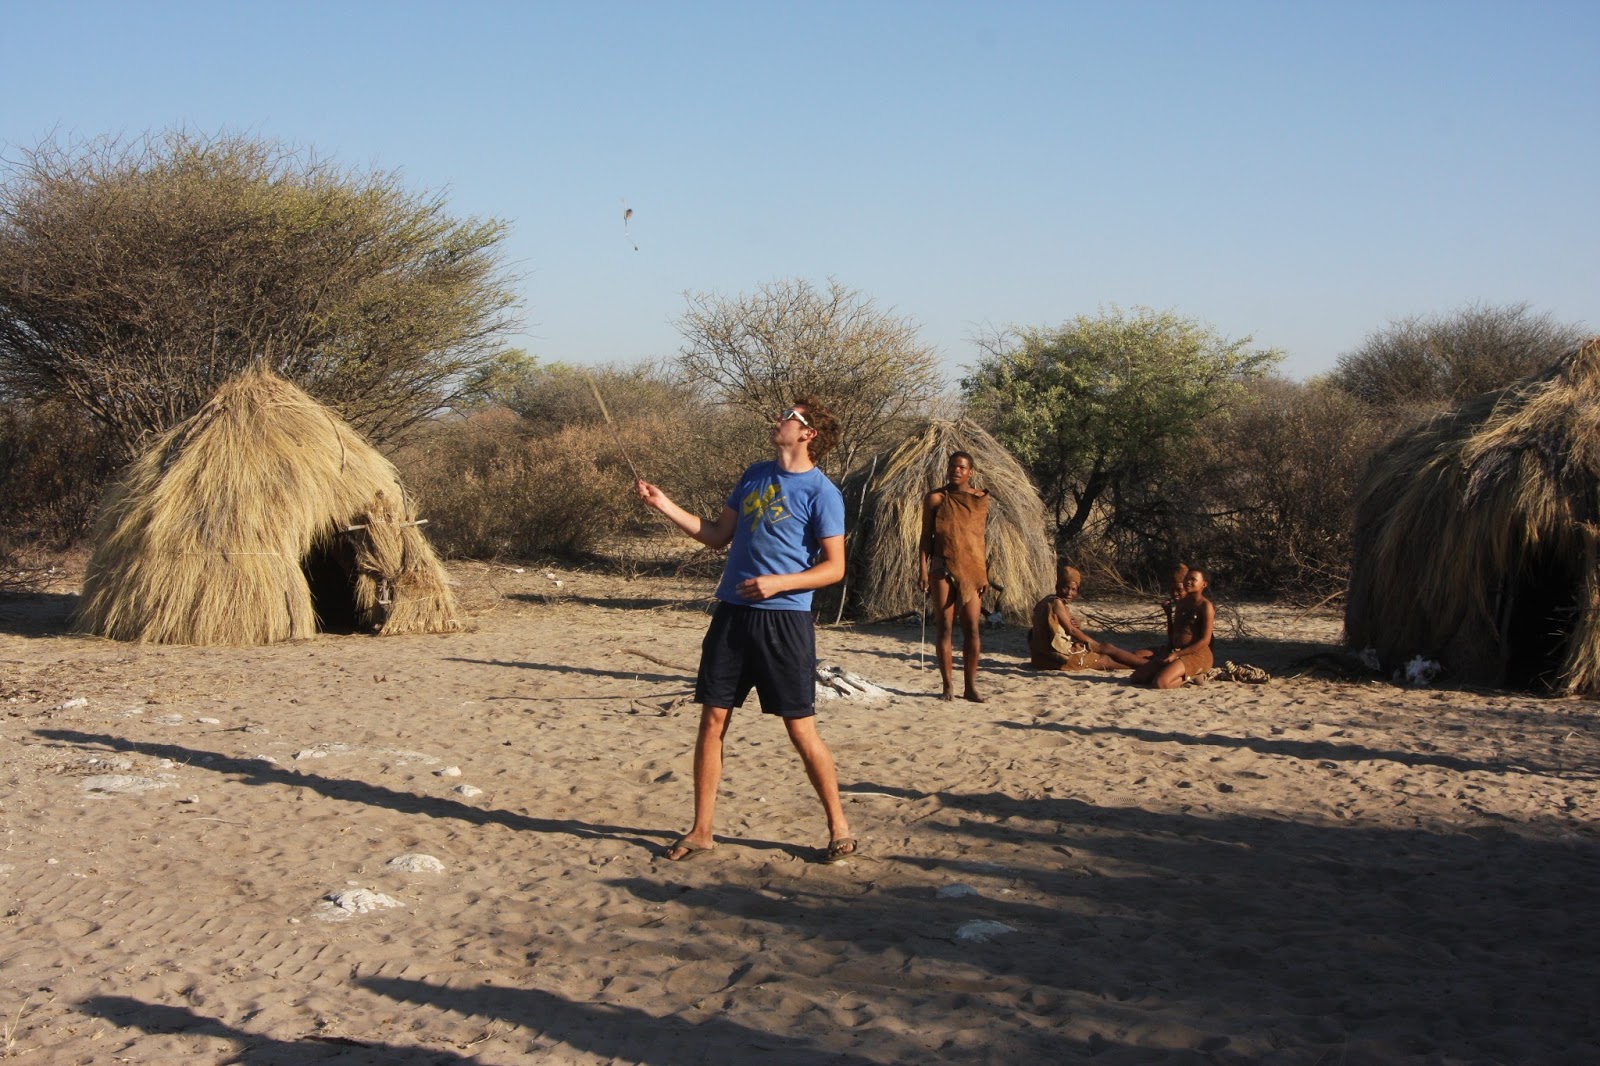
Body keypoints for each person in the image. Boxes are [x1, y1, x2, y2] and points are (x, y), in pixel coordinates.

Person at [635, 397, 856, 864]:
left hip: (785, 621)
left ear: (808, 433)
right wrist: (664, 504)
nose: (779, 421)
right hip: (733, 615)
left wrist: (781, 582)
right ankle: (702, 830)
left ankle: (838, 827)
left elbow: (834, 568)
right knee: (713, 720)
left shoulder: (822, 492)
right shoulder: (754, 474)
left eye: (789, 418)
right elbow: (717, 535)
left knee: (800, 728)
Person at [919, 451, 990, 701]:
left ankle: (970, 687)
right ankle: (947, 685)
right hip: (941, 567)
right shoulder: (936, 498)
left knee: (972, 628)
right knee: (945, 628)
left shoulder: (980, 500)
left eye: (961, 467)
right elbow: (926, 536)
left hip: (972, 571)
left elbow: (979, 540)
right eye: (952, 466)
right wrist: (923, 570)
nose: (956, 470)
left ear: (971, 471)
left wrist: (983, 574)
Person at [1027, 563, 1145, 671]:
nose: (1069, 593)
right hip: (1056, 659)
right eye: (1066, 587)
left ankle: (1143, 662)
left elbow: (1063, 625)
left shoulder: (1047, 601)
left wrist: (1076, 624)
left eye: (1073, 589)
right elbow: (1071, 630)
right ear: (1057, 586)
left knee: (1107, 651)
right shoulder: (1056, 603)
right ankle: (1146, 666)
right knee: (1106, 657)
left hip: (1040, 658)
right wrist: (1095, 645)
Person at [1130, 565, 1215, 688]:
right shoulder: (1181, 604)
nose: (1188, 582)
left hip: (1197, 654)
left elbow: (1205, 640)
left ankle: (1193, 676)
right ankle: (1179, 672)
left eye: (1193, 579)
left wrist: (1177, 655)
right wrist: (1169, 615)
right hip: (1177, 652)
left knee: (1160, 683)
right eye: (1186, 578)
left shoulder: (1205, 606)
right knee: (1136, 678)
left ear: (1204, 584)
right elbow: (1174, 634)